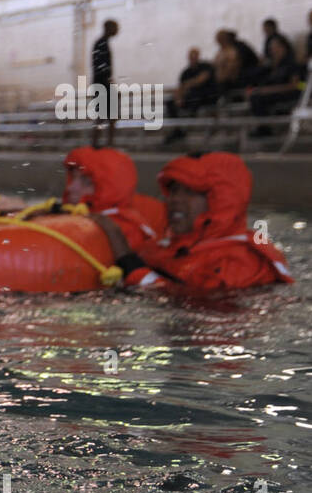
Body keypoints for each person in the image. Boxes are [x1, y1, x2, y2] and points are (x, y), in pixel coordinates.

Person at [95, 152, 292, 292]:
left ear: (220, 200)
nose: (175, 199)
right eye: (173, 190)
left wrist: (126, 259)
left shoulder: (240, 262)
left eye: (189, 192)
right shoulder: (172, 246)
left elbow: (189, 308)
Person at [58, 147, 163, 251]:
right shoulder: (70, 215)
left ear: (110, 189)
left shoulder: (125, 232)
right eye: (73, 178)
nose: (70, 187)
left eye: (87, 182)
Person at [90, 19, 117, 147]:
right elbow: (100, 67)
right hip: (102, 83)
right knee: (105, 116)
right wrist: (108, 83)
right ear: (108, 28)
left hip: (102, 82)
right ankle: (103, 143)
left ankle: (104, 143)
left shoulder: (102, 43)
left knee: (107, 115)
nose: (117, 31)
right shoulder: (101, 44)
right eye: (115, 28)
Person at [171, 48, 216, 117]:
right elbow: (181, 86)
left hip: (206, 95)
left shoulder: (205, 66)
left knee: (194, 98)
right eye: (191, 56)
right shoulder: (186, 72)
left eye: (194, 56)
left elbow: (201, 79)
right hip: (191, 96)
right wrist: (178, 97)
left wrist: (188, 84)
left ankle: (191, 117)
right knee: (171, 102)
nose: (193, 58)